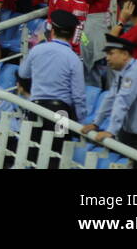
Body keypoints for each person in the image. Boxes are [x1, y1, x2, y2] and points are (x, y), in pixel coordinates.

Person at [17, 10, 88, 166]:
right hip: (61, 113)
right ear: (71, 35)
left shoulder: (37, 50)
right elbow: (78, 95)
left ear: (52, 30)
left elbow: (23, 73)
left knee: (33, 152)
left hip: (37, 107)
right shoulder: (73, 58)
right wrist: (80, 120)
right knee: (57, 154)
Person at [83, 34, 137, 155]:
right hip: (134, 133)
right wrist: (96, 123)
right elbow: (110, 98)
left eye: (111, 53)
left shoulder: (135, 72)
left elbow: (122, 102)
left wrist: (111, 131)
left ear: (125, 55)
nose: (107, 58)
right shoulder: (123, 72)